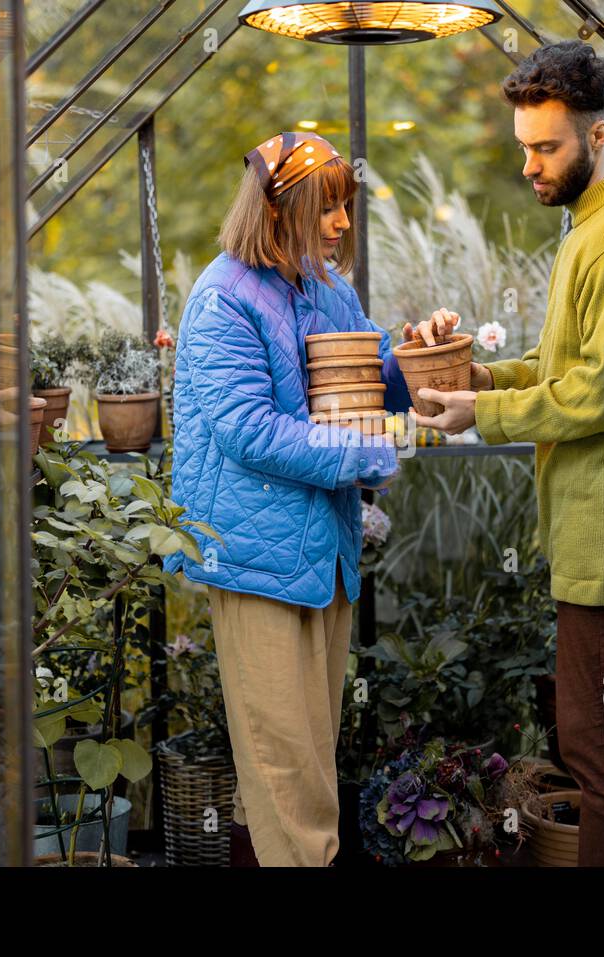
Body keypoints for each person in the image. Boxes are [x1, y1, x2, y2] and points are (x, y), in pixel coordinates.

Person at [410, 42, 604, 867]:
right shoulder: (596, 226)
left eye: (549, 148)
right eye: (525, 148)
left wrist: (486, 412)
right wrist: (479, 379)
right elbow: (563, 365)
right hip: (598, 521)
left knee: (593, 744)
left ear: (599, 136)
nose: (532, 166)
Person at [166, 131, 455, 866]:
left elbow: (359, 376)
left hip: (323, 554)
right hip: (255, 561)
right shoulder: (222, 298)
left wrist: (407, 356)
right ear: (283, 207)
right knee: (290, 776)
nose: (342, 224)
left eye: (345, 207)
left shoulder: (328, 288)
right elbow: (248, 430)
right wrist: (372, 448)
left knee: (295, 765)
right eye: (329, 208)